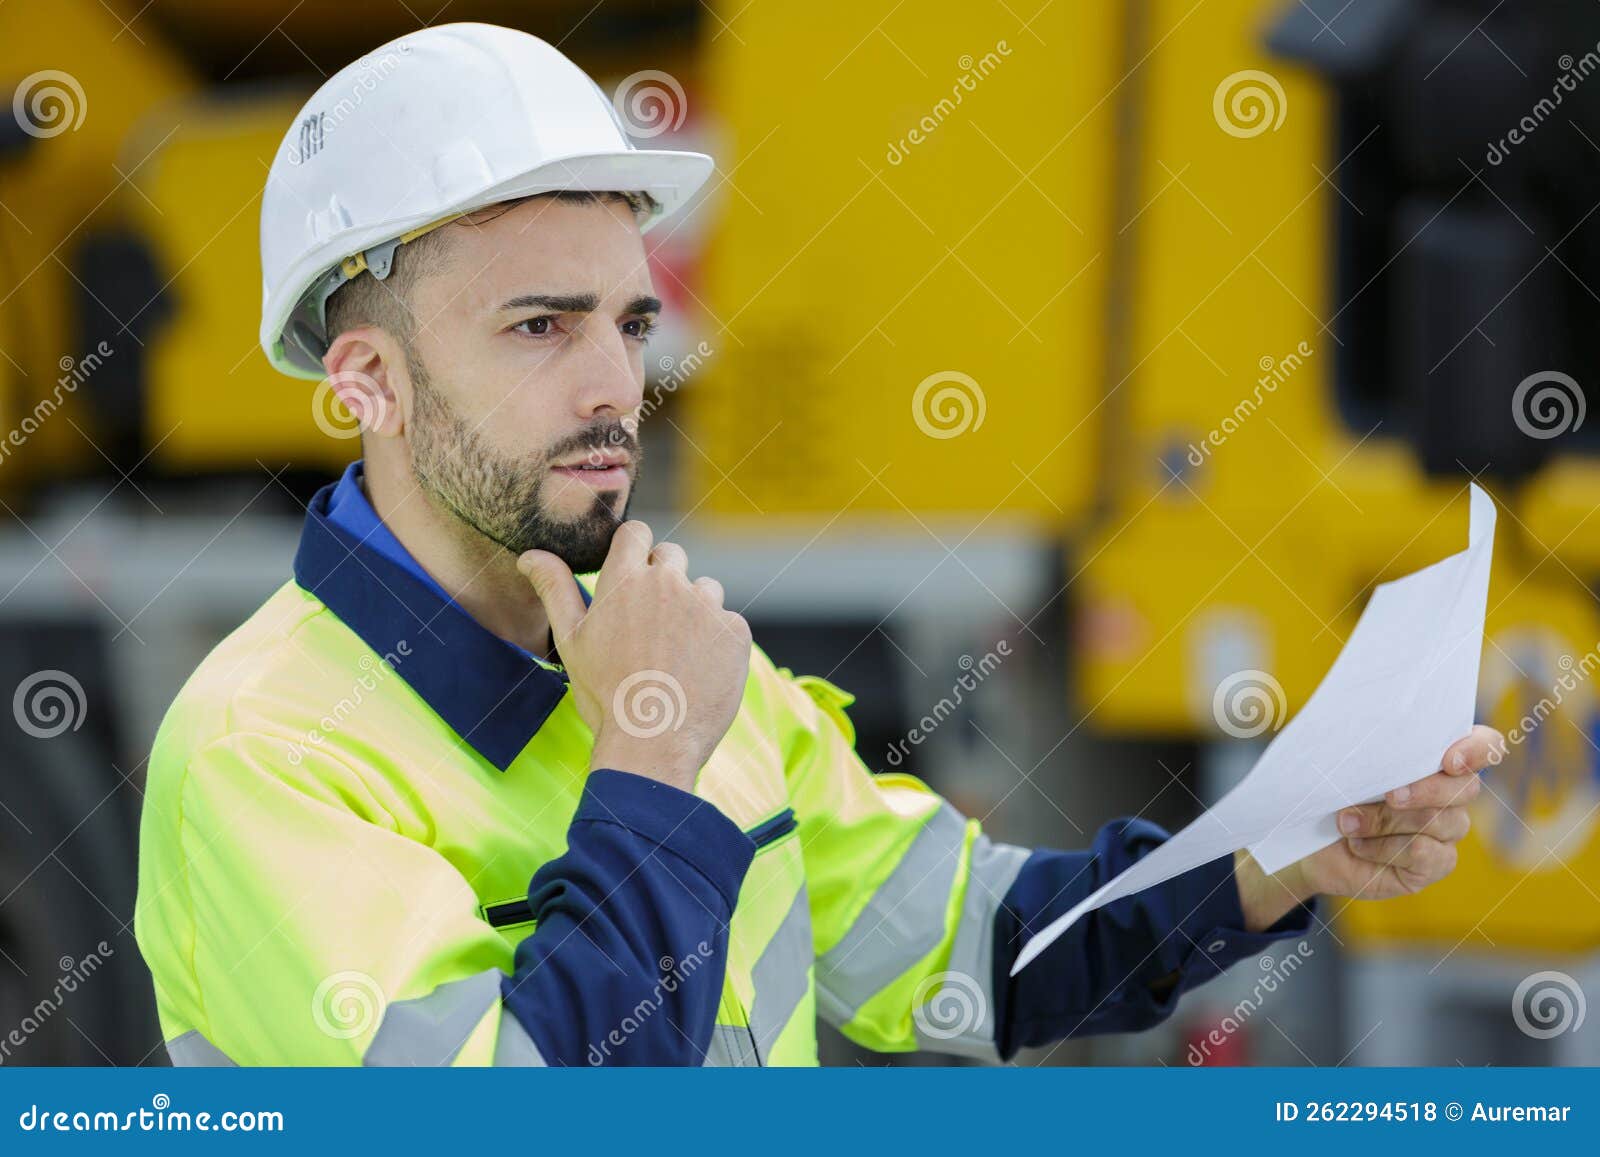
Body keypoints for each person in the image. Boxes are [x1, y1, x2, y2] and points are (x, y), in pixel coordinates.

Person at [133, 23, 1499, 1066]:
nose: (614, 381)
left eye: (630, 323)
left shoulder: (677, 665)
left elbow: (979, 949)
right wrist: (651, 769)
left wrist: (1282, 856)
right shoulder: (269, 754)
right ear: (365, 378)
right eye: (539, 326)